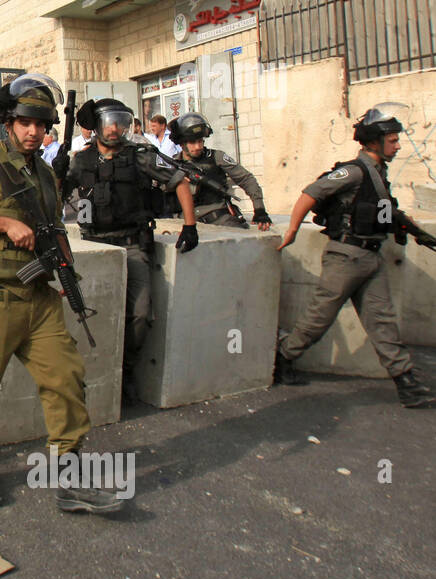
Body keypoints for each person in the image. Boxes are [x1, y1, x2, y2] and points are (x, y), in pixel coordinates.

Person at [0, 73, 123, 513]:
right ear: (9, 122)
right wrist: (4, 223)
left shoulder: (44, 172)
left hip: (39, 299)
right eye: (25, 122)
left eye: (41, 125)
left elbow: (55, 228)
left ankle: (68, 477)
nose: (33, 131)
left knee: (66, 379)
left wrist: (65, 273)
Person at [273, 108, 436, 407]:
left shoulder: (378, 175)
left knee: (383, 322)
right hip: (346, 257)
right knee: (319, 317)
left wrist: (409, 229)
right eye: (392, 140)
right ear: (374, 141)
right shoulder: (354, 171)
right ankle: (283, 357)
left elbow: (382, 211)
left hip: (371, 257)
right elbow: (311, 193)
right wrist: (293, 229)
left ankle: (407, 383)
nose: (397, 146)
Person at [61, 98, 199, 406]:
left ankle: (125, 373)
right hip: (94, 245)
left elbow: (179, 181)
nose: (113, 129)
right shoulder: (79, 161)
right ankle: (89, 378)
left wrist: (190, 226)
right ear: (95, 126)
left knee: (139, 313)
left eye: (119, 122)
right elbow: (55, 189)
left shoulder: (142, 157)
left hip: (133, 244)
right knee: (87, 317)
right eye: (107, 122)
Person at [170, 113, 272, 230]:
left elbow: (246, 178)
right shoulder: (171, 165)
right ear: (182, 144)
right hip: (185, 222)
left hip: (220, 220)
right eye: (192, 142)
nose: (198, 146)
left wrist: (259, 209)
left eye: (200, 141)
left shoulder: (216, 157)